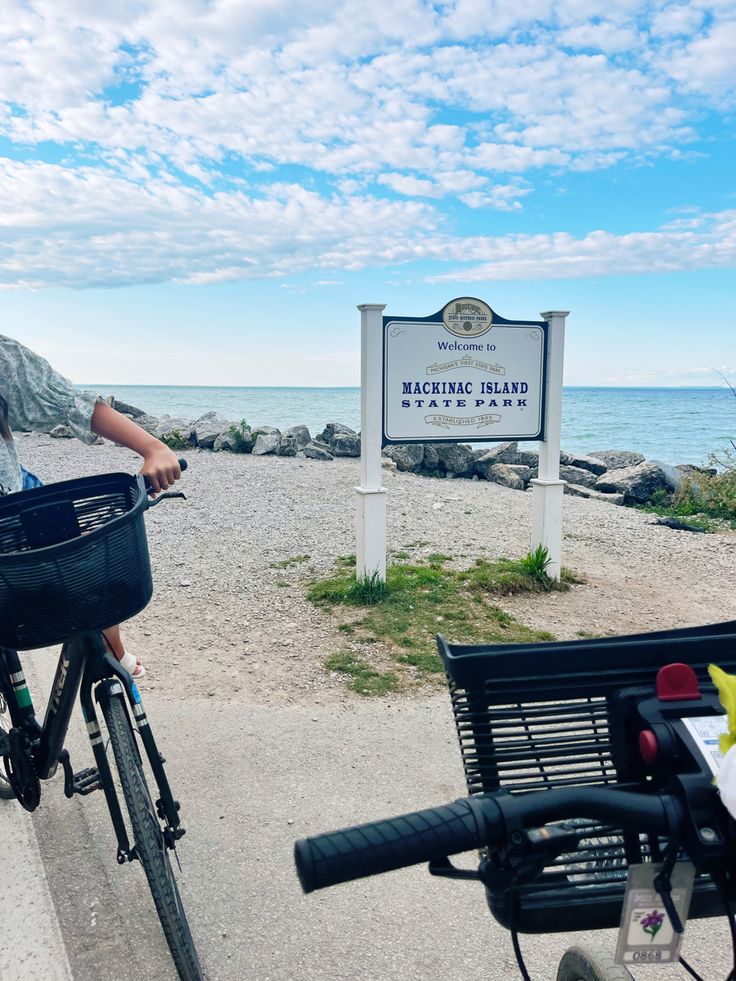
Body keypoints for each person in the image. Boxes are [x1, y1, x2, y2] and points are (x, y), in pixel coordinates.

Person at [0, 333, 182, 678]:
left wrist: (152, 448)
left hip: (11, 499)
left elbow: (68, 402)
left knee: (85, 563)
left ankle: (110, 645)